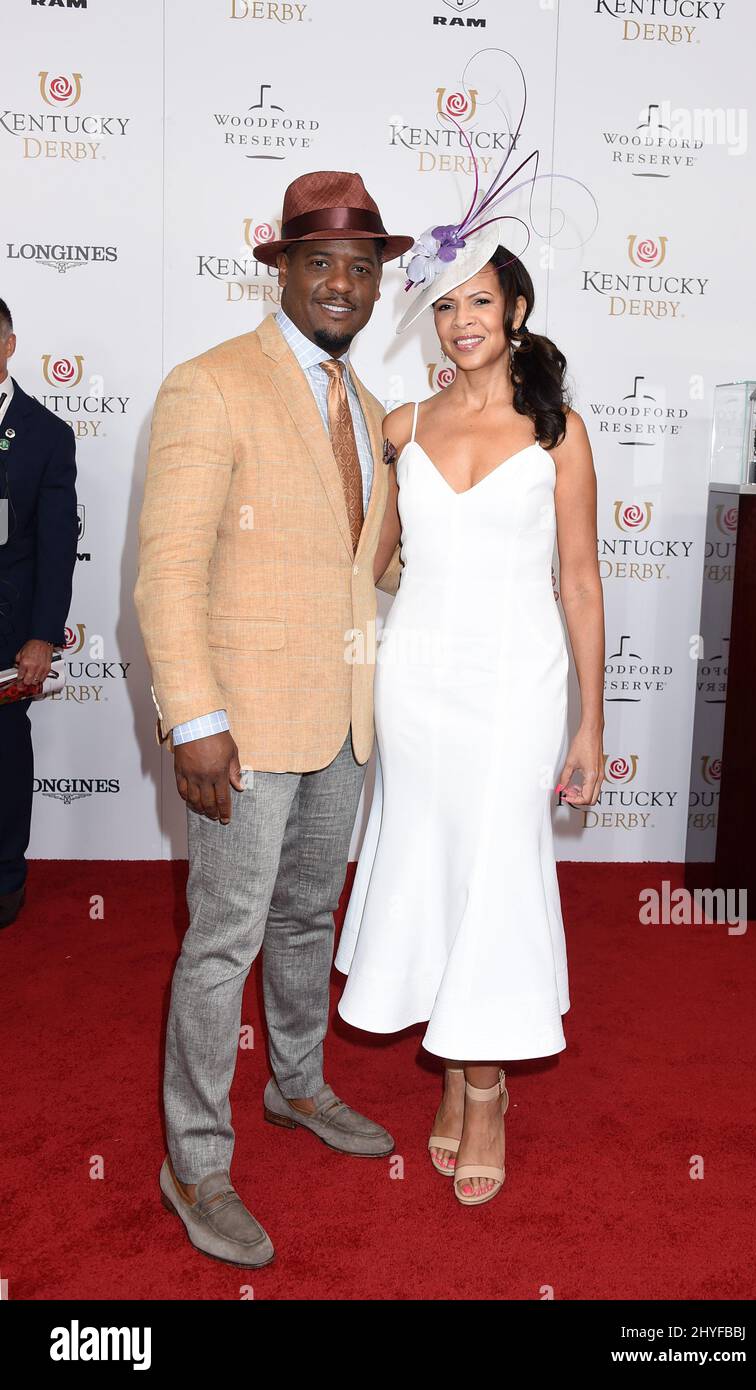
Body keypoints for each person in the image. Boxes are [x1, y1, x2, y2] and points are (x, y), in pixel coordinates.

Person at [134, 171, 414, 1267]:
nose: (343, 283)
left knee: (306, 922)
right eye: (321, 264)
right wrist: (195, 719)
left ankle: (296, 1085)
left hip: (343, 716)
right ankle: (195, 1159)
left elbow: (368, 568)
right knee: (222, 941)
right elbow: (167, 570)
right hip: (240, 730)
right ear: (282, 270)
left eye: (362, 267)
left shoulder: (368, 406)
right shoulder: (210, 384)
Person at [335, 198, 606, 1207]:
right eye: (445, 306)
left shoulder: (558, 432)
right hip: (418, 680)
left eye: (480, 301)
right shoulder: (400, 425)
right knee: (437, 861)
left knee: (495, 865)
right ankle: (456, 1065)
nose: (461, 322)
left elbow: (578, 580)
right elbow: (374, 562)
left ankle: (485, 1088)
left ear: (517, 308)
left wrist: (592, 717)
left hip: (517, 683)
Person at [0, 299, 78, 929]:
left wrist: (42, 638)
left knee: (3, 755)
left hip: (9, 629)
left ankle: (5, 879)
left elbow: (56, 546)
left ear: (10, 346)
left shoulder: (46, 433)